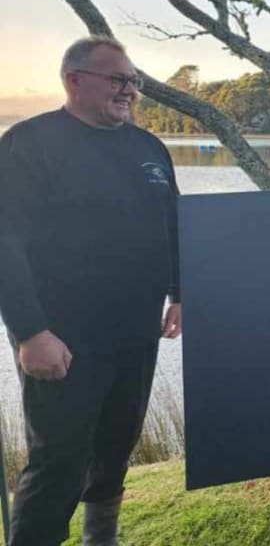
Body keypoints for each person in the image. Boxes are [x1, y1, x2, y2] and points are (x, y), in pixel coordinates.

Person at [0, 36, 182, 546]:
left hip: (136, 333)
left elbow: (173, 225)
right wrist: (30, 331)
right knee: (58, 460)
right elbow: (5, 242)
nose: (130, 91)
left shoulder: (149, 149)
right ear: (74, 80)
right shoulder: (27, 144)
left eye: (135, 82)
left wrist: (180, 292)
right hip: (63, 338)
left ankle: (102, 539)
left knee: (116, 449)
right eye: (118, 80)